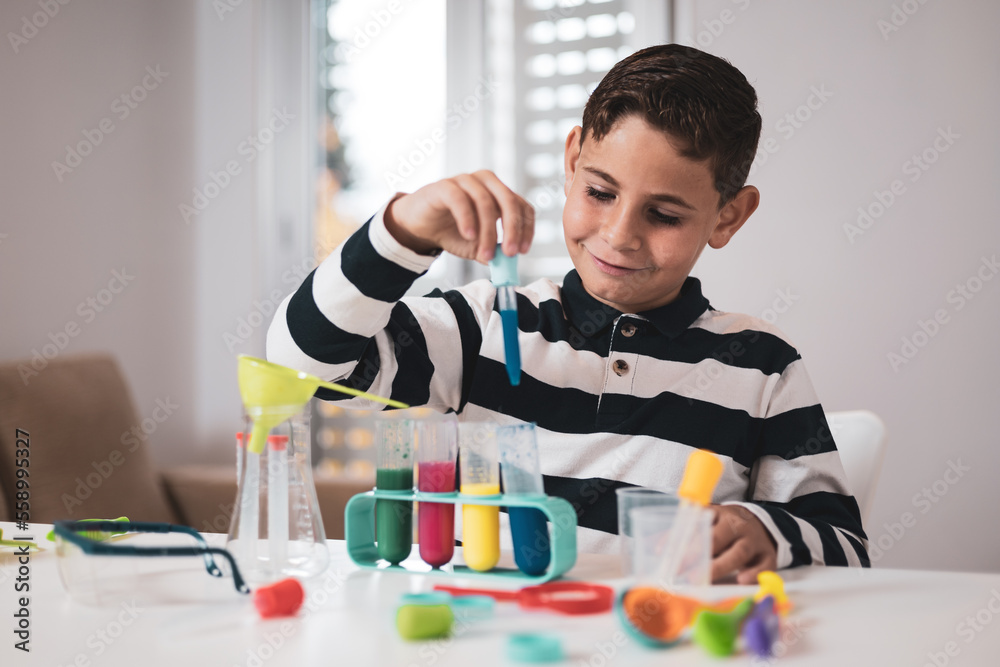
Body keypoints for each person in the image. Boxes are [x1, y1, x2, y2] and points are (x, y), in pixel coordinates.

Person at [266, 44, 869, 583]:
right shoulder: (484, 327)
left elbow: (845, 547)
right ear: (574, 159)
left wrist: (762, 531)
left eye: (664, 215)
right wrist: (399, 236)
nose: (619, 235)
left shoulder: (763, 367)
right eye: (601, 193)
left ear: (729, 216)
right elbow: (302, 365)